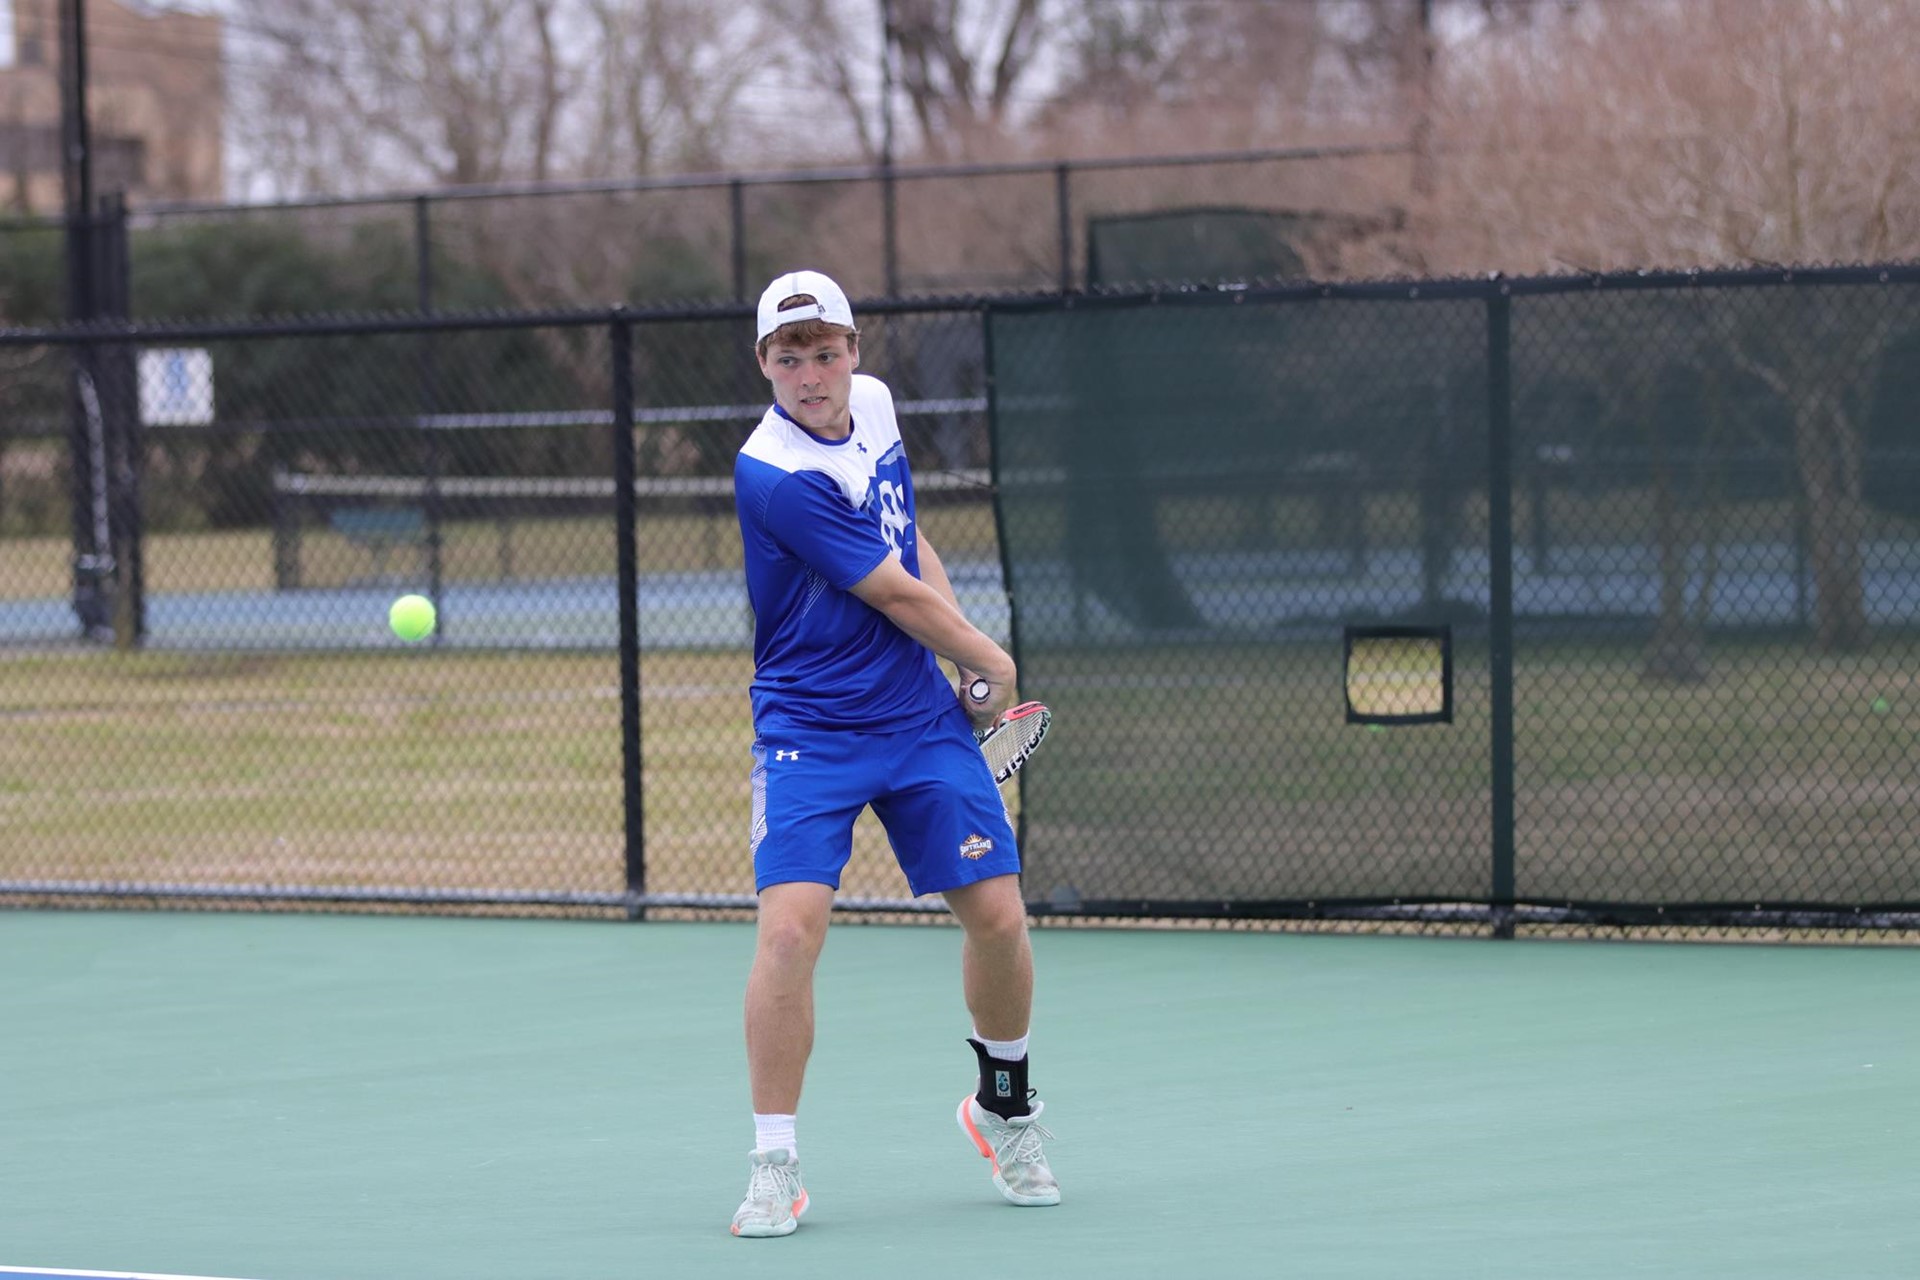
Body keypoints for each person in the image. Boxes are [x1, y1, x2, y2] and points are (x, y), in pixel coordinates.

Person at [727, 270, 1060, 1238]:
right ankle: (773, 1162)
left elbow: (906, 538)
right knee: (789, 933)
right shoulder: (773, 472)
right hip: (808, 731)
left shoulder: (872, 405)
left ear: (855, 351)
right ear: (765, 365)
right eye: (791, 357)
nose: (813, 374)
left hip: (918, 717)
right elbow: (894, 593)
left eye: (827, 351)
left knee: (998, 914)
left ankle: (1004, 1106)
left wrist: (957, 668)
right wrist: (989, 655)